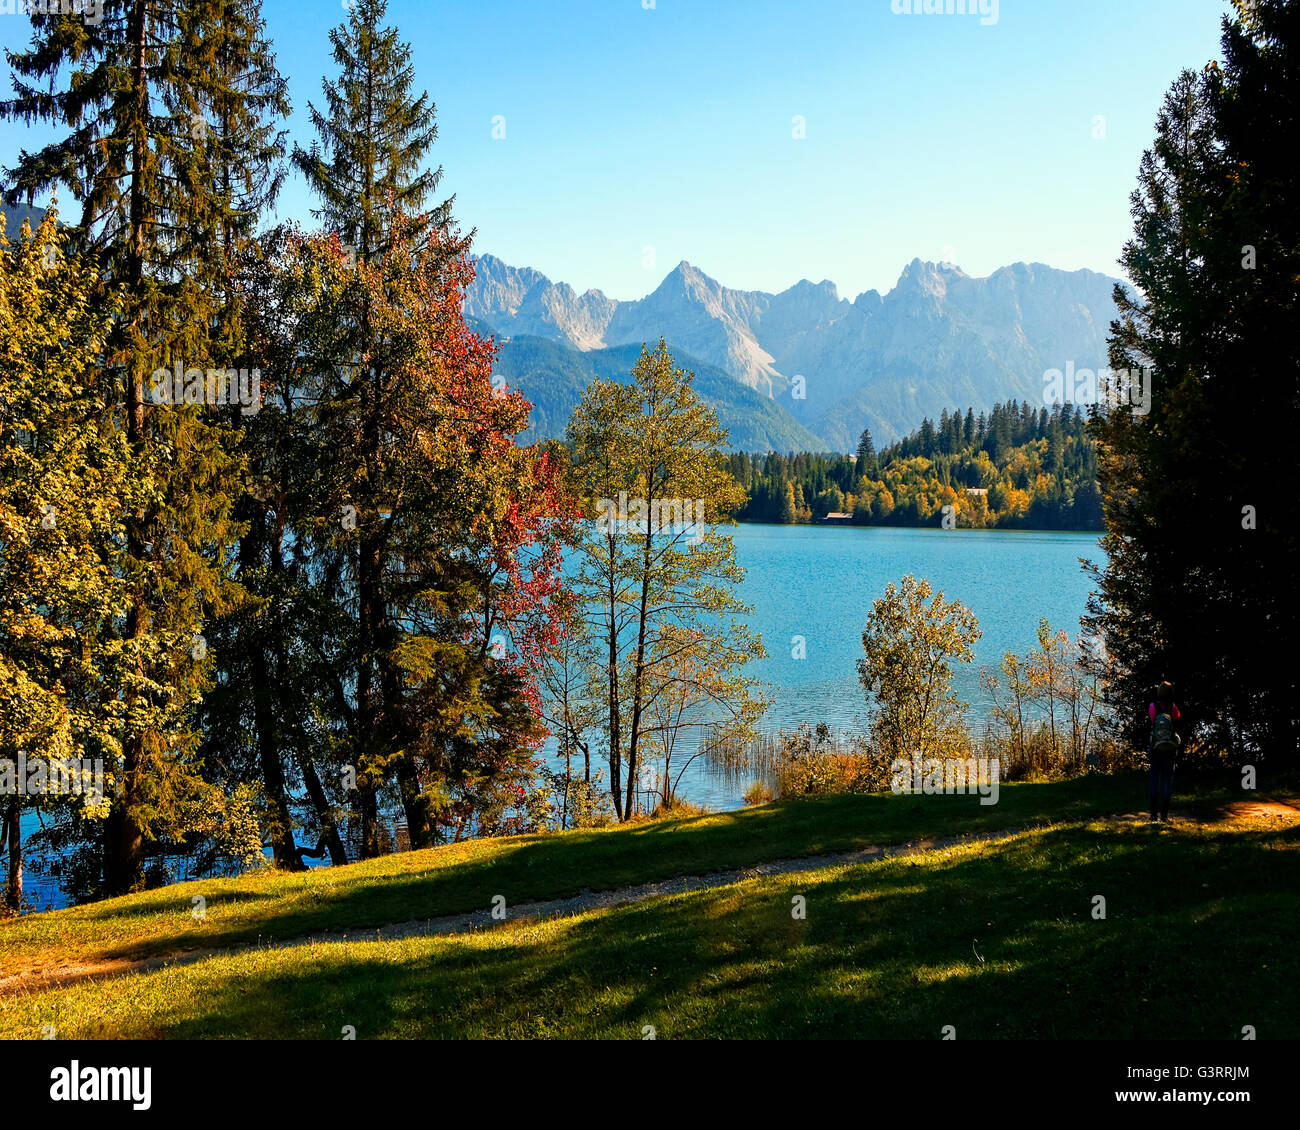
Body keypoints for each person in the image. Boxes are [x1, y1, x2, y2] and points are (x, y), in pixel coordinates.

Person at [1147, 681, 1180, 823]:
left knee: (1154, 780)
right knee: (1167, 780)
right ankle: (1164, 815)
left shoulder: (1152, 707)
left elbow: (1152, 720)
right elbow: (1177, 719)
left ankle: (1153, 815)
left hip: (1155, 748)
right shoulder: (1173, 708)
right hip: (1169, 749)